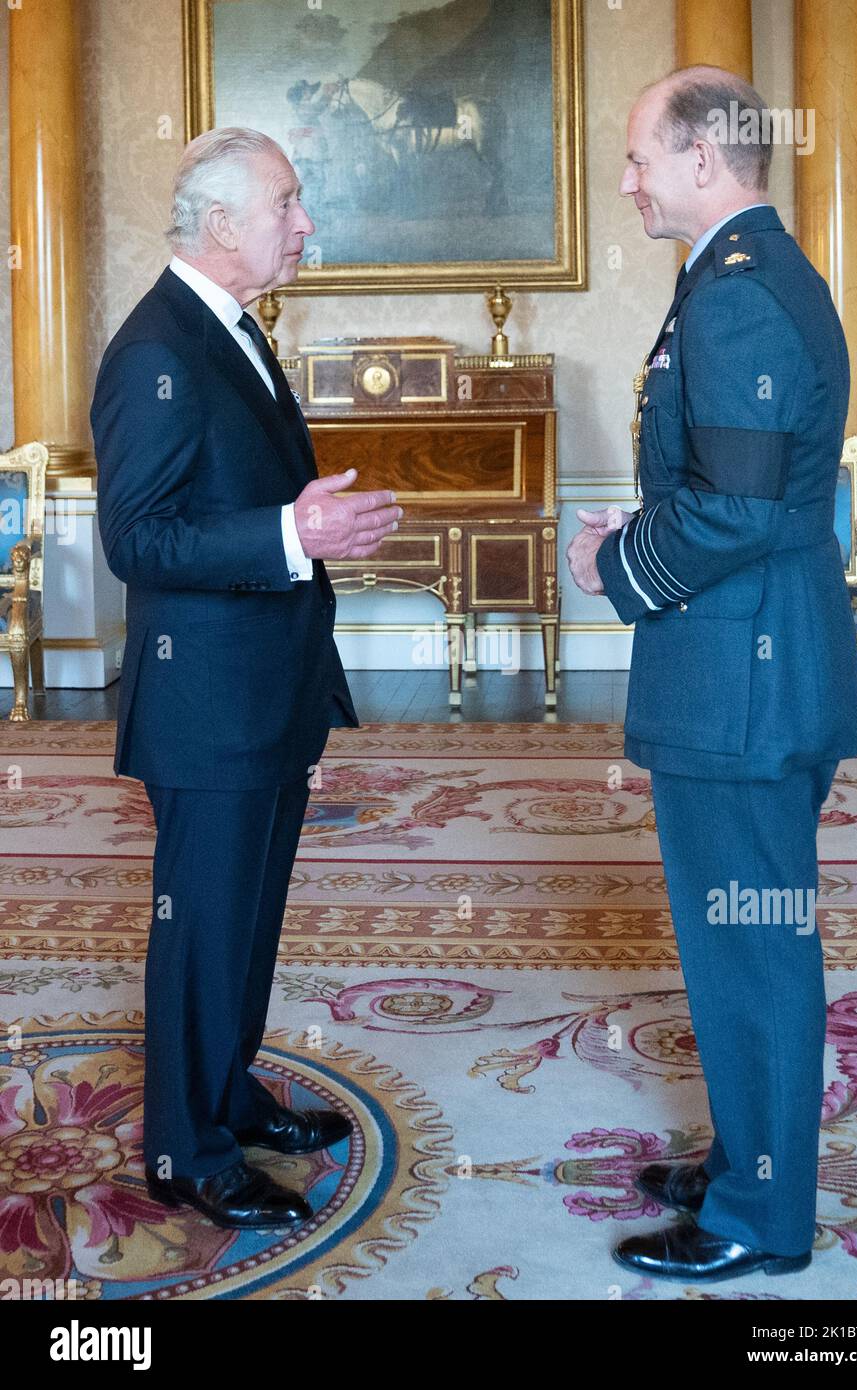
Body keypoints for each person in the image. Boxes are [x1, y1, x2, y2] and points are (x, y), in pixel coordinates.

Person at [566, 67, 857, 1282]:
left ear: (704, 161)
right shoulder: (736, 277)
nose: (627, 180)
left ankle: (757, 1217)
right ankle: (749, 1158)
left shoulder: (738, 297)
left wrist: (614, 560)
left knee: (749, 948)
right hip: (746, 662)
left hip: (741, 678)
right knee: (742, 940)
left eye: (640, 157)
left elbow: (734, 507)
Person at [91, 128, 403, 1231]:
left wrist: (303, 528)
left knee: (248, 918)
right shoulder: (157, 349)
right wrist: (288, 532)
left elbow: (242, 502)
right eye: (288, 203)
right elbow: (137, 538)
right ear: (222, 223)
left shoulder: (229, 329)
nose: (304, 223)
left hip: (260, 692)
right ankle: (185, 1152)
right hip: (205, 705)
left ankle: (228, 1094)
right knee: (202, 926)